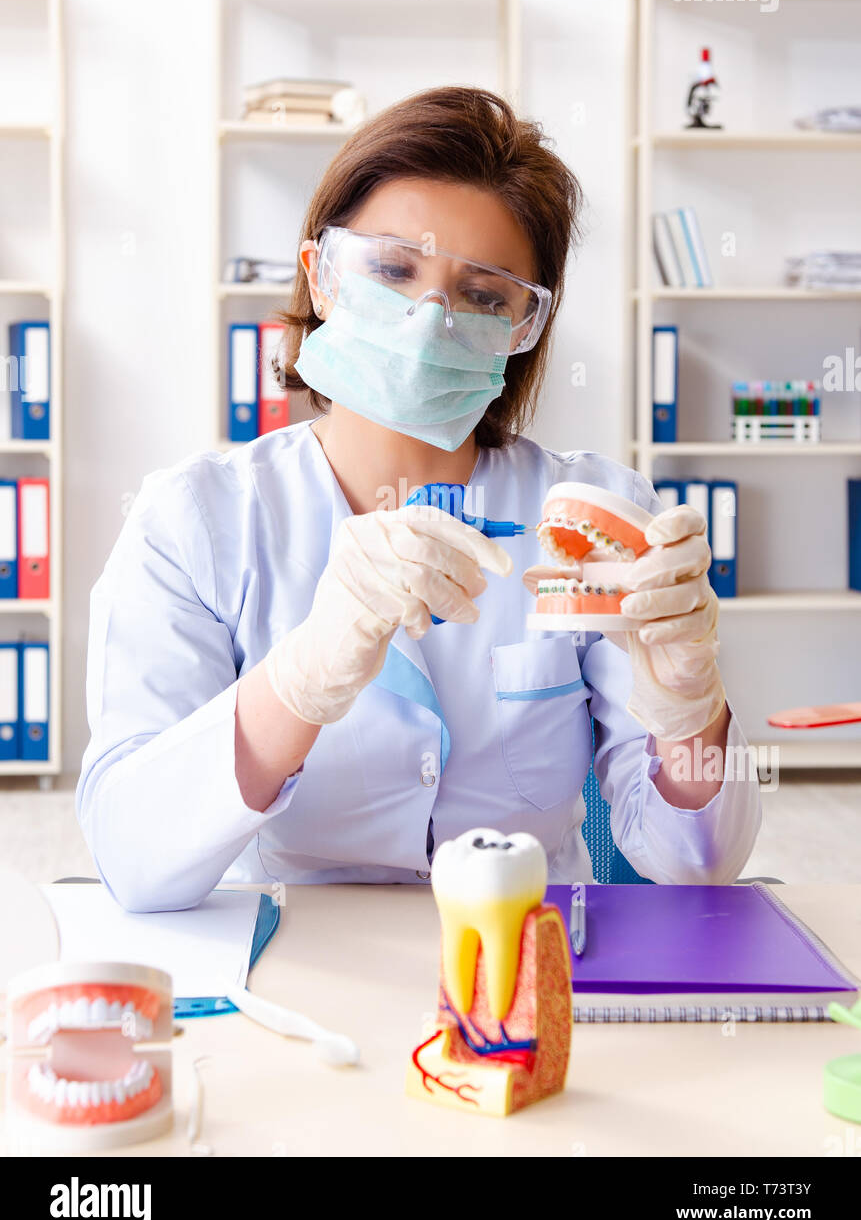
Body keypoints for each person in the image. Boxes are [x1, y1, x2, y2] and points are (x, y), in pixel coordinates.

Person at [76, 86, 760, 912]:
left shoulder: (590, 514)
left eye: (482, 295)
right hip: (303, 974)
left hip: (530, 961)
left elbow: (697, 869)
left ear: (522, 329)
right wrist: (297, 682)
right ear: (321, 277)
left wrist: (689, 708)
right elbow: (133, 858)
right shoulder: (197, 521)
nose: (427, 319)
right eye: (393, 269)